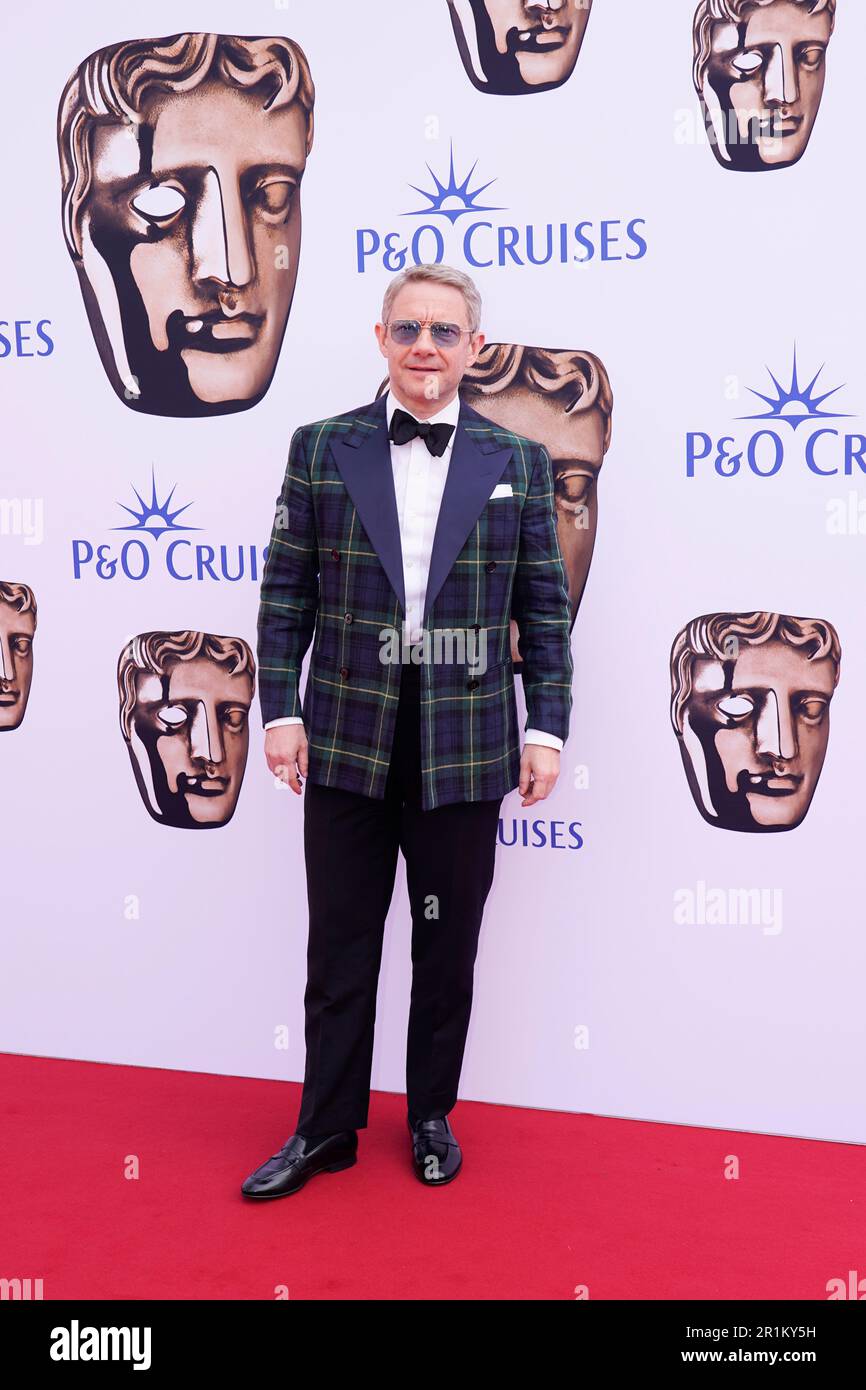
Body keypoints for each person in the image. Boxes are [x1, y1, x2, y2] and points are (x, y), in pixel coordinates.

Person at [243, 262, 573, 1198]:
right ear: (381, 339)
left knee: (447, 944)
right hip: (345, 739)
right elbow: (283, 596)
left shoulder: (518, 462)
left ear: (475, 348)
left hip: (466, 749)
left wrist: (544, 729)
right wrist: (280, 711)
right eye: (408, 328)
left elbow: (545, 611)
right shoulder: (320, 448)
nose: (425, 346)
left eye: (444, 331)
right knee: (339, 946)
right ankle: (325, 1128)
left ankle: (429, 1115)